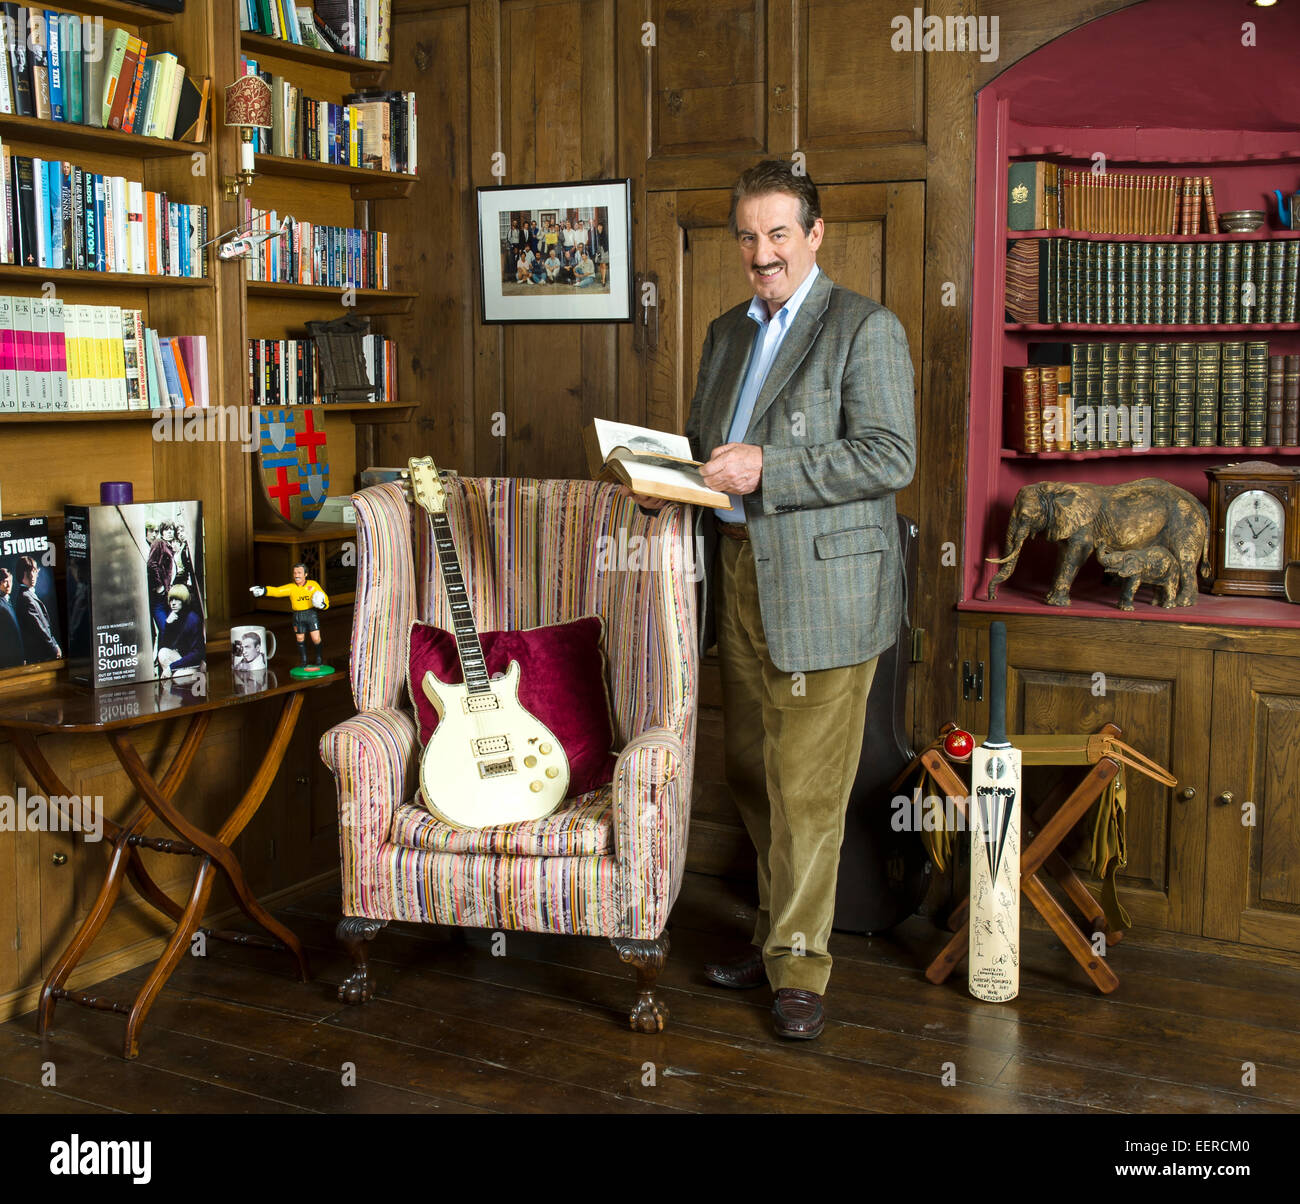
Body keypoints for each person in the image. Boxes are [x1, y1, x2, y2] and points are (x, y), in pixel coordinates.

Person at [635, 160, 915, 1041]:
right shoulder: (724, 334)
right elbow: (705, 450)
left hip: (828, 591)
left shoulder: (864, 328)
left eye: (779, 234)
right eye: (749, 237)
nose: (763, 253)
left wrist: (771, 466)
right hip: (737, 577)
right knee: (752, 772)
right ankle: (772, 933)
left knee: (806, 788)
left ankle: (800, 967)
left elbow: (889, 456)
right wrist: (664, 478)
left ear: (814, 234)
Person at [250, 562, 330, 672]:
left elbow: (324, 597)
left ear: (305, 574)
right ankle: (304, 660)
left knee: (316, 638)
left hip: (311, 614)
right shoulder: (291, 588)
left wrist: (324, 605)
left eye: (299, 573)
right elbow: (277, 591)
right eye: (295, 573)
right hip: (298, 616)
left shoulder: (313, 585)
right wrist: (264, 590)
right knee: (300, 638)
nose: (296, 575)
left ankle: (319, 658)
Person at [15, 555, 61, 662]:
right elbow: (40, 629)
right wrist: (54, 648)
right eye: (28, 572)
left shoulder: (28, 595)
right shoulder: (25, 597)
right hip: (41, 656)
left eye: (34, 571)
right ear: (21, 574)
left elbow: (44, 625)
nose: (32, 576)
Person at [155, 584, 204, 678]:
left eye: (177, 599)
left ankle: (176, 684)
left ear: (184, 600)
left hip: (196, 663)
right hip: (183, 659)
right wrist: (168, 624)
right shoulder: (173, 615)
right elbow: (166, 645)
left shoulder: (193, 619)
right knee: (163, 653)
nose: (173, 603)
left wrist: (171, 667)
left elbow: (197, 654)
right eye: (171, 600)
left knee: (176, 676)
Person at [0, 567, 24, 668]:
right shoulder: (1, 604)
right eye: (5, 582)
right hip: (9, 660)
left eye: (11, 580)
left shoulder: (6, 600)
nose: (9, 585)